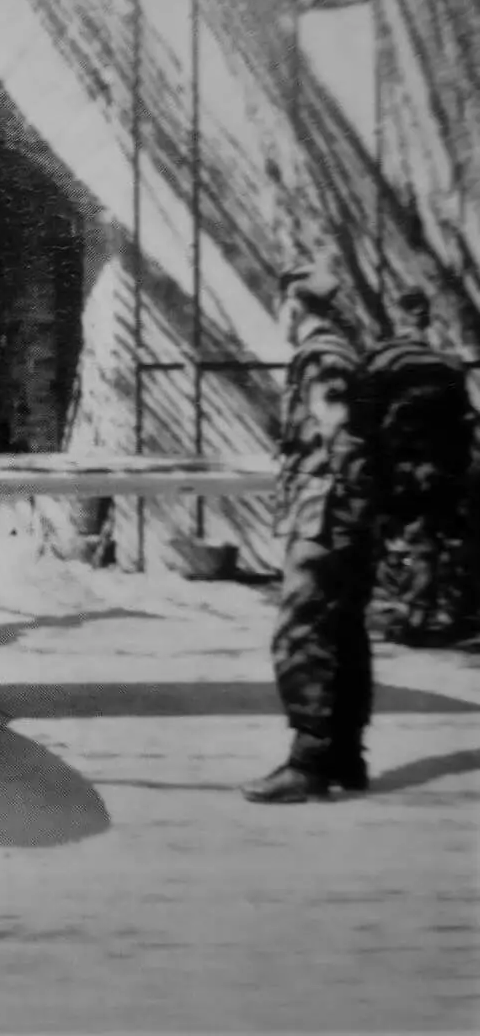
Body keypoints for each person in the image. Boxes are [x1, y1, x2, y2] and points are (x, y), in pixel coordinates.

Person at [242, 257, 379, 803]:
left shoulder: (321, 356)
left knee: (302, 631)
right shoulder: (339, 350)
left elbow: (342, 434)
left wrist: (351, 508)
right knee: (344, 631)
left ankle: (308, 762)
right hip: (340, 513)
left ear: (291, 305)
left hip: (326, 515)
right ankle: (346, 756)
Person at [363, 288, 475, 646]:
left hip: (392, 471)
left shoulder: (379, 362)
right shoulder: (449, 365)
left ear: (396, 317)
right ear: (427, 319)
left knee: (377, 540)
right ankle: (423, 615)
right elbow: (465, 423)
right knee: (427, 542)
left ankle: (389, 616)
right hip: (438, 470)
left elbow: (362, 420)